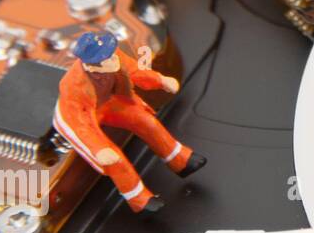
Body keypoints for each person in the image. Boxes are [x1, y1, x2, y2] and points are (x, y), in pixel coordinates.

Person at [53, 31, 203, 215]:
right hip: (79, 119)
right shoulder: (73, 86)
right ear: (92, 67)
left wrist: (161, 80)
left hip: (109, 101)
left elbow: (135, 70)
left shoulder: (114, 57)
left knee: (146, 121)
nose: (113, 57)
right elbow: (80, 124)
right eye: (106, 57)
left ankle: (180, 160)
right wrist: (99, 149)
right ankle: (140, 201)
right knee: (115, 159)